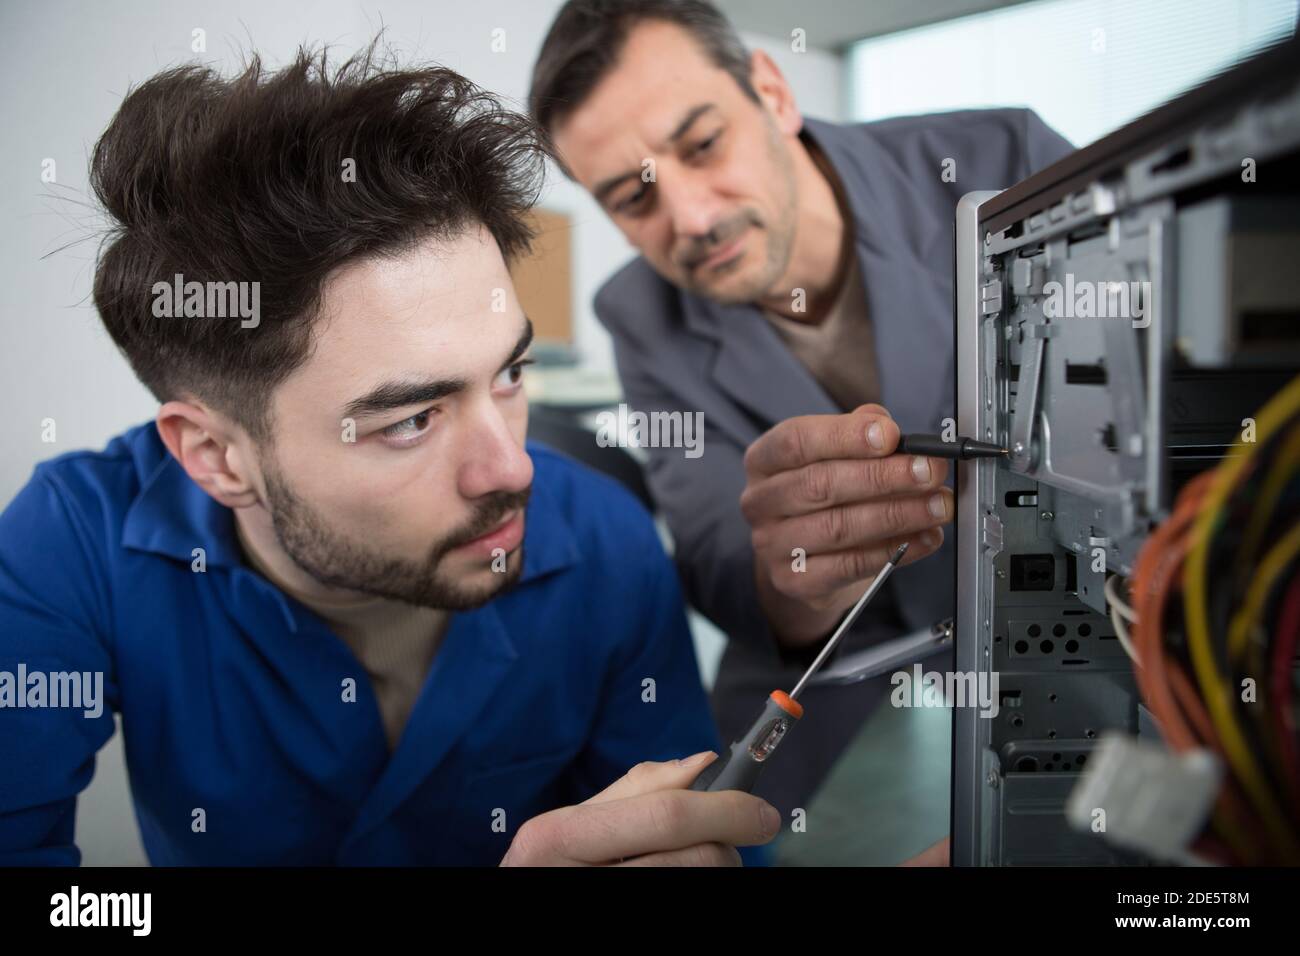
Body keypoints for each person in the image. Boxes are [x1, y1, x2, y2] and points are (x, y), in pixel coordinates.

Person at [0, 44, 778, 866]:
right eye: (411, 419)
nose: (513, 471)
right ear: (215, 456)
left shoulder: (606, 542)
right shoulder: (74, 543)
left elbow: (692, 827)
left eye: (511, 373)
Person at [529, 0, 1075, 815]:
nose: (694, 218)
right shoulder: (637, 313)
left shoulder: (1003, 160)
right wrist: (798, 570)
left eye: (704, 144)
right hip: (832, 675)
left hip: (1072, 608)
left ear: (773, 94)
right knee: (709, 827)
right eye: (632, 199)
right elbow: (719, 555)